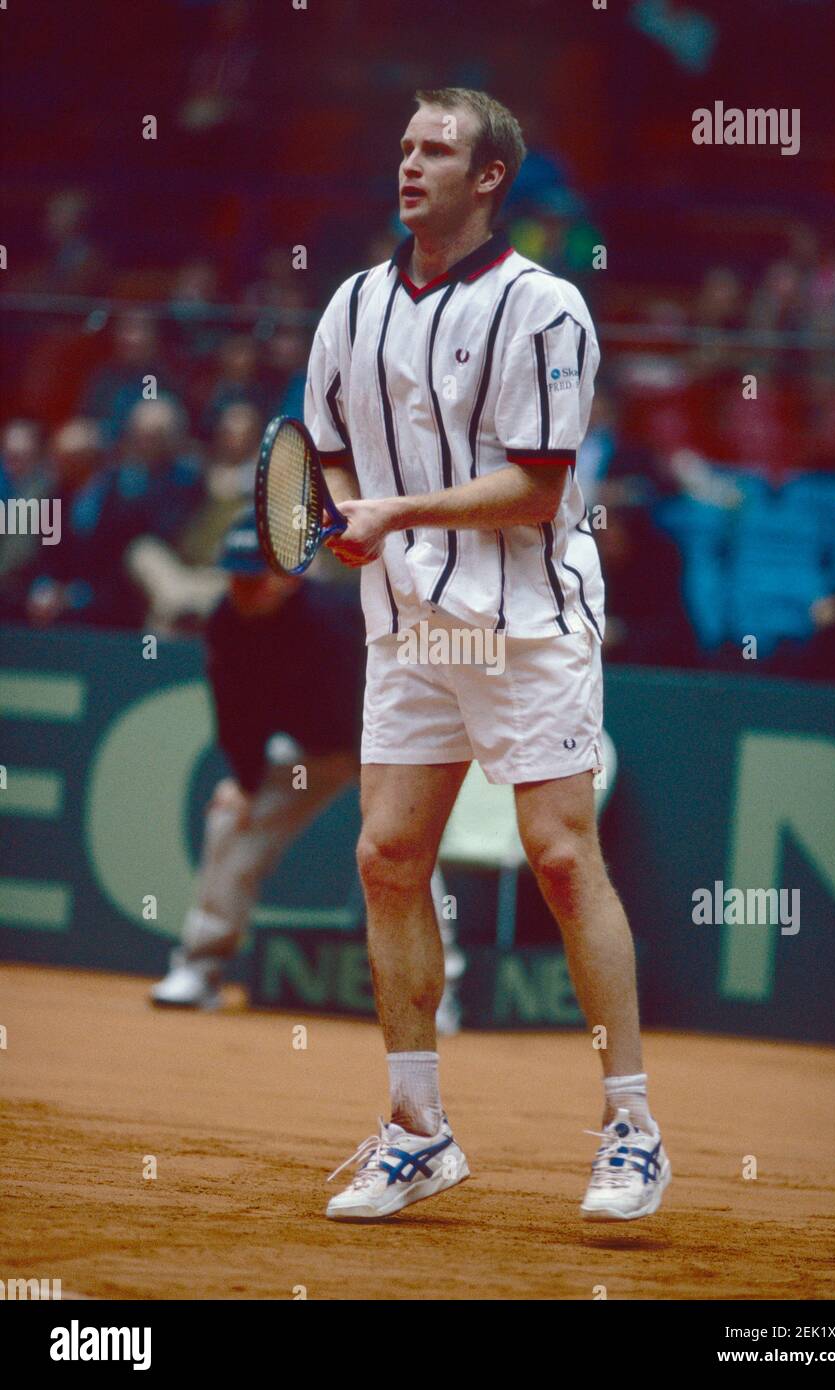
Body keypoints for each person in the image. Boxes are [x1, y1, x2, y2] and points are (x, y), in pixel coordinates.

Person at [308, 87, 670, 1223]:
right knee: (386, 856)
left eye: (437, 151)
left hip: (525, 623)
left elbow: (535, 486)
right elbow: (323, 450)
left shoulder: (545, 308)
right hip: (410, 630)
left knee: (562, 858)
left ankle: (630, 1129)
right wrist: (344, 518)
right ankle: (418, 1134)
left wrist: (391, 512)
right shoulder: (351, 305)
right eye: (403, 145)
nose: (409, 165)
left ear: (489, 177)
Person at [149, 510, 465, 1028]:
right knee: (231, 820)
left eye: (255, 575)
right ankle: (199, 971)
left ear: (289, 576)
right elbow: (236, 711)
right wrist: (246, 783)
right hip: (306, 753)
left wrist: (386, 785)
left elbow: (375, 703)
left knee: (403, 852)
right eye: (235, 574)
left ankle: (435, 996)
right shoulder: (227, 621)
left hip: (383, 745)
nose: (243, 587)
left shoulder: (335, 618)